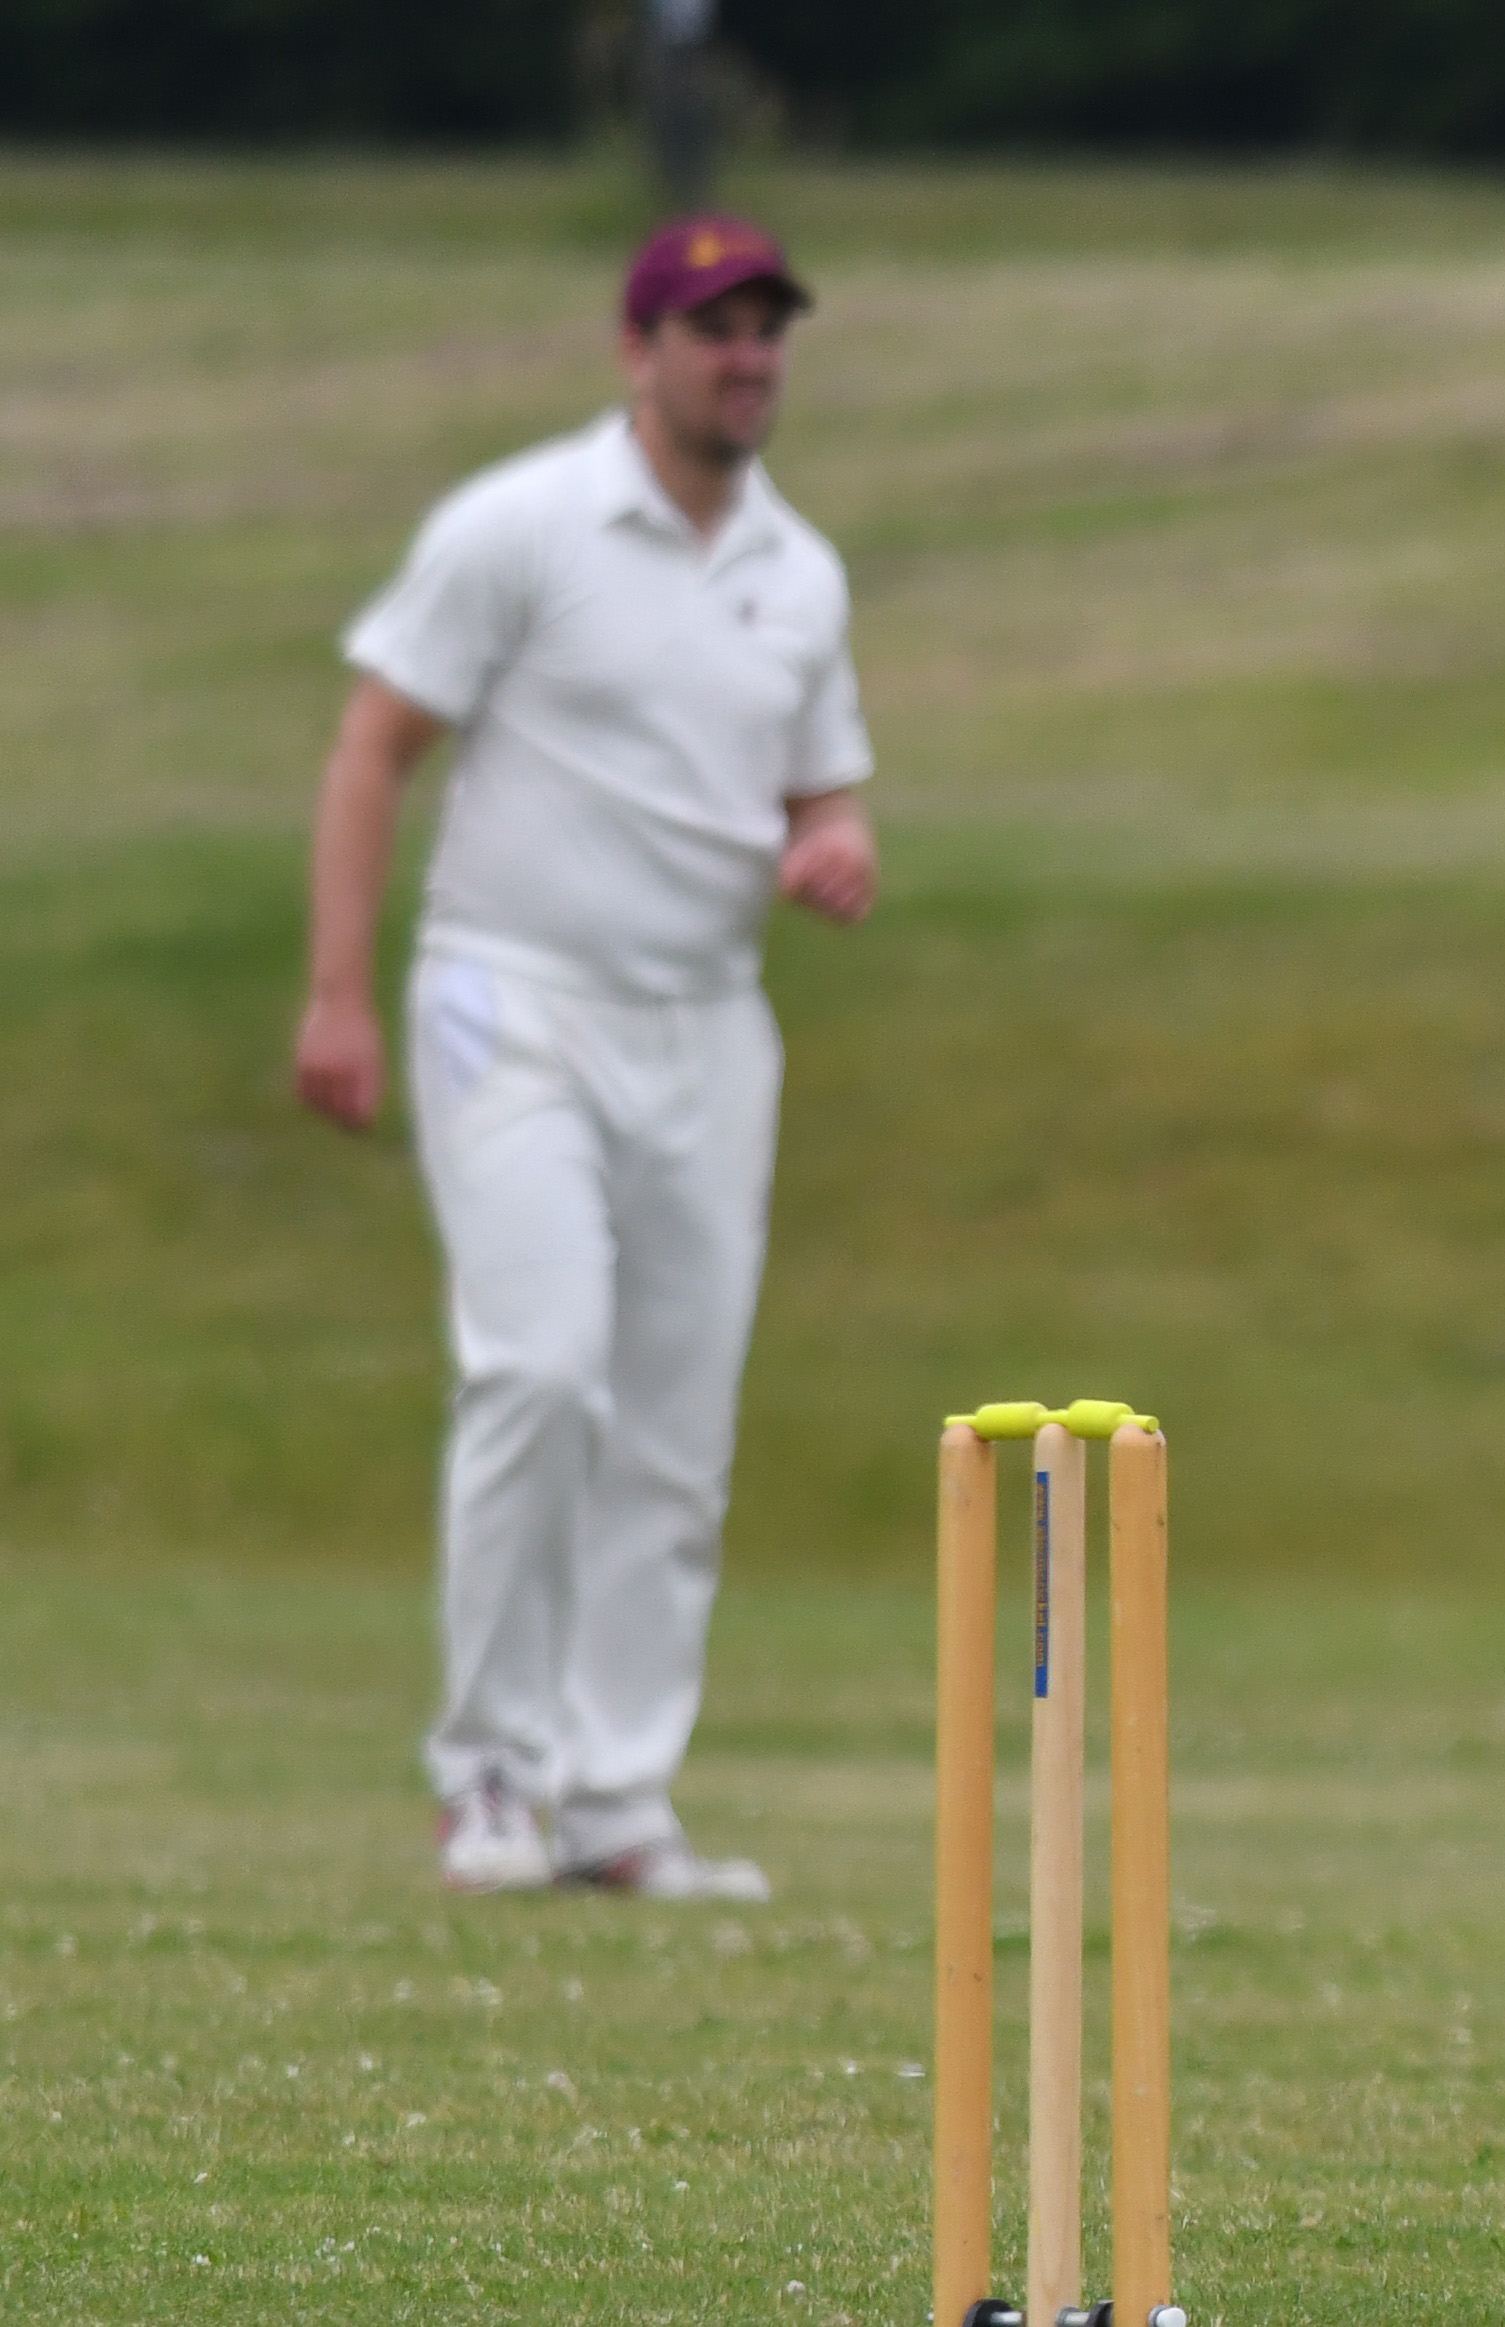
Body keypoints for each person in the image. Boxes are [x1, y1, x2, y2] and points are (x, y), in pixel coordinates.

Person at [294, 214, 878, 1901]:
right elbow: (371, 744)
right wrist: (338, 994)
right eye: (713, 328)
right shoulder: (520, 526)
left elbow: (822, 789)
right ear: (638, 351)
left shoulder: (801, 570)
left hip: (706, 1021)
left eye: (768, 327)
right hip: (513, 997)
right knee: (542, 1370)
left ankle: (619, 1801)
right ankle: (490, 1778)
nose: (747, 355)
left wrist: (837, 848)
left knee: (676, 1425)